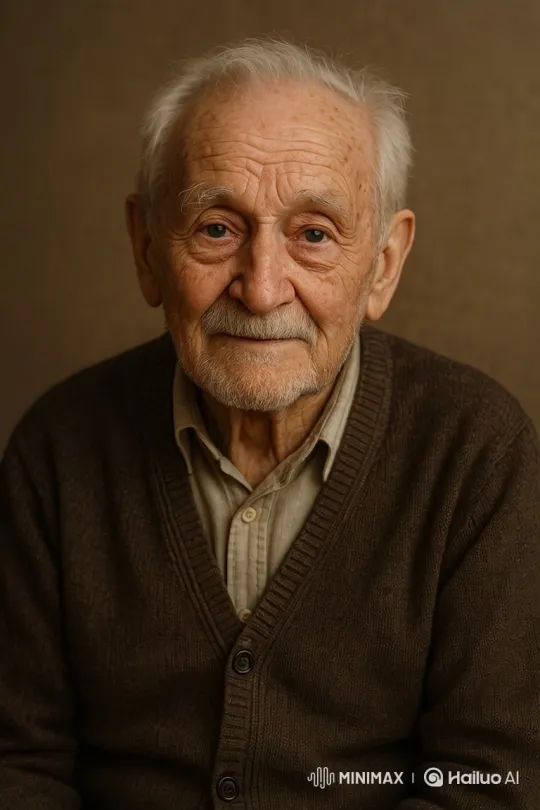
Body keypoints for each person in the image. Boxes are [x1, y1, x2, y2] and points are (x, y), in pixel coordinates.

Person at [0, 35, 538, 810]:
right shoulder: (56, 451)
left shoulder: (476, 454)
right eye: (217, 228)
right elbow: (18, 764)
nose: (260, 289)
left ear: (383, 265)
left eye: (313, 234)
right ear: (147, 248)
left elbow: (487, 780)